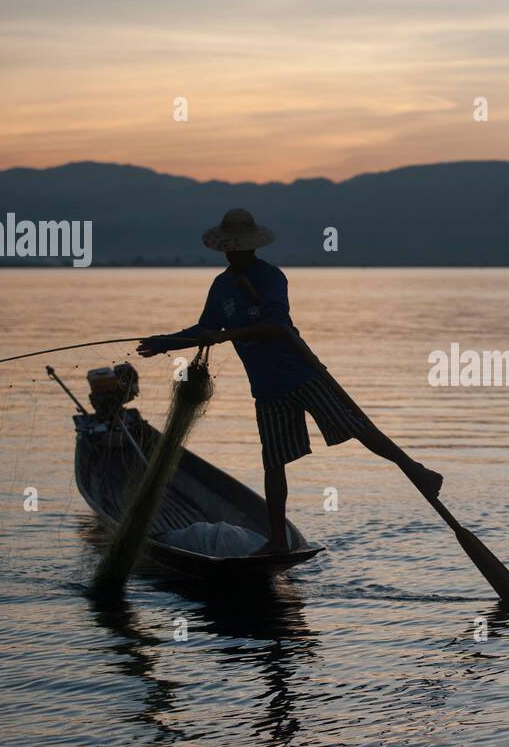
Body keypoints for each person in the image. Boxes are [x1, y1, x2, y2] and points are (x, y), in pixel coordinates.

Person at [137, 208, 442, 553]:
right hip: (267, 388)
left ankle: (416, 470)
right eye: (231, 248)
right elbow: (205, 329)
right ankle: (278, 540)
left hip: (301, 373)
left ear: (252, 248)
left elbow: (275, 324)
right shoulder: (222, 286)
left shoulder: (271, 277)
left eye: (242, 248)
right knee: (273, 463)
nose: (236, 253)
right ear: (225, 249)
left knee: (357, 427)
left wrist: (227, 335)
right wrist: (164, 342)